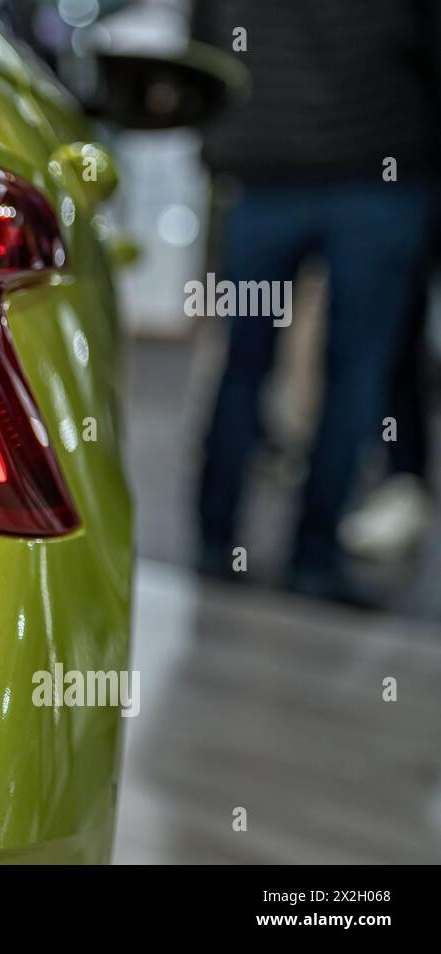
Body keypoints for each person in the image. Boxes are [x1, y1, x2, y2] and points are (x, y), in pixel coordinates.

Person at [191, 0, 439, 604]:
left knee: (244, 362)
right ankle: (313, 559)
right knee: (355, 370)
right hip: (378, 174)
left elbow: (207, 49)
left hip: (264, 170)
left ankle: (214, 544)